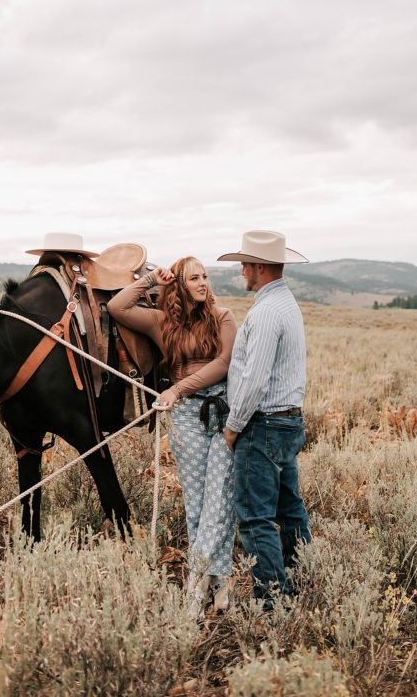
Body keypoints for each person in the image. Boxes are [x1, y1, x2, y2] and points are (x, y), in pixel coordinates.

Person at [107, 257, 237, 618]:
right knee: (197, 501)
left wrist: (178, 388)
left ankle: (200, 580)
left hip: (223, 411)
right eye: (194, 278)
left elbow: (225, 363)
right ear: (179, 286)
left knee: (220, 497)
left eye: (205, 276)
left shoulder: (223, 317)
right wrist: (150, 279)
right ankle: (217, 582)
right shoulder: (162, 321)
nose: (203, 283)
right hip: (185, 417)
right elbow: (118, 306)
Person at [218, 229, 312, 609]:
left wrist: (233, 425)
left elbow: (254, 380)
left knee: (254, 517)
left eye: (244, 263)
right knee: (289, 507)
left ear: (259, 267)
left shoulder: (267, 311)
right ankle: (302, 578)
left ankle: (273, 602)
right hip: (287, 421)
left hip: (263, 424)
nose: (241, 269)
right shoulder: (285, 303)